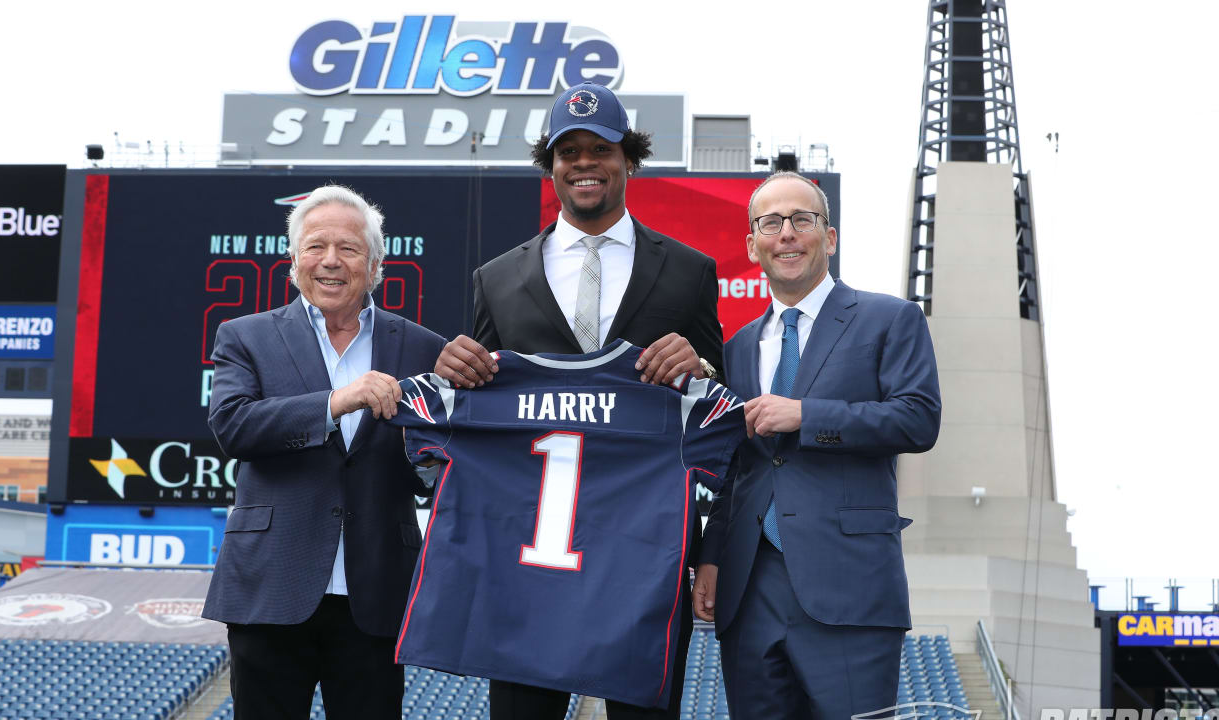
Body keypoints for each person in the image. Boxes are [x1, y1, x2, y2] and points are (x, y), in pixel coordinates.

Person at [433, 81, 723, 720]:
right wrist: (455, 373)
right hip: (531, 554)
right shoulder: (497, 278)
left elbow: (723, 416)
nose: (584, 164)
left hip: (644, 552)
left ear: (629, 160)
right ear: (551, 166)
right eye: (569, 152)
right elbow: (478, 415)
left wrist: (700, 368)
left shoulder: (689, 271)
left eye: (601, 149)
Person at [692, 172, 942, 720]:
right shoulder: (737, 347)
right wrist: (710, 557)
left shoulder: (890, 318)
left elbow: (919, 420)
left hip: (849, 585)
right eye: (770, 223)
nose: (786, 233)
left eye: (801, 220)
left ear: (829, 237)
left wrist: (807, 416)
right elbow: (735, 466)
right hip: (748, 588)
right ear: (752, 245)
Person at [202, 185, 446, 720]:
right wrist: (336, 402)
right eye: (315, 246)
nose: (330, 261)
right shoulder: (244, 336)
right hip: (270, 587)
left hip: (377, 592)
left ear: (375, 265)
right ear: (294, 261)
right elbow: (233, 426)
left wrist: (430, 462)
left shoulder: (425, 347)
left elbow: (431, 467)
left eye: (349, 248)